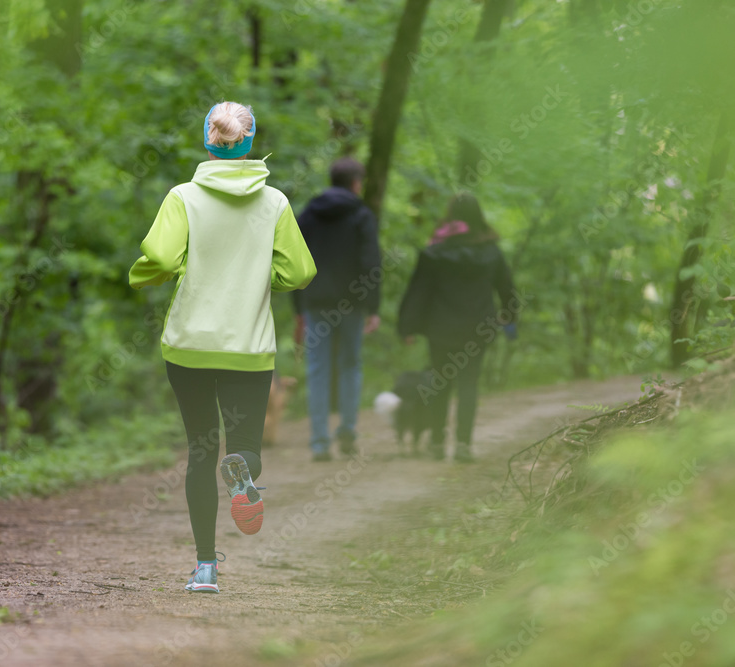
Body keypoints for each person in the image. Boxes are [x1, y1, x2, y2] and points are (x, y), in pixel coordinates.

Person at [129, 101, 316, 593]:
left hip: (189, 344)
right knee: (246, 445)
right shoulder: (273, 202)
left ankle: (205, 569)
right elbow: (300, 272)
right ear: (250, 142)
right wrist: (262, 277)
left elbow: (163, 257)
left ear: (207, 141)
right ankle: (243, 473)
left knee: (198, 448)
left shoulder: (182, 196)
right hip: (248, 348)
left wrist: (143, 273)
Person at [396, 192, 518, 463]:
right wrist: (510, 316)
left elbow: (418, 291)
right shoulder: (491, 252)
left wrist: (407, 327)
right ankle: (463, 443)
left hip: (441, 328)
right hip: (479, 327)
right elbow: (506, 287)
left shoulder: (435, 252)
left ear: (451, 216)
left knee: (440, 383)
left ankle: (438, 441)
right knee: (469, 384)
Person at [292, 158, 382, 462]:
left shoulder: (307, 215)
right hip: (352, 303)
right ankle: (347, 432)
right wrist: (373, 306)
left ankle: (319, 442)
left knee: (317, 369)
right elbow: (371, 262)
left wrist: (298, 308)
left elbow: (294, 262)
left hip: (316, 302)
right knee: (350, 365)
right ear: (355, 183)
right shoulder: (361, 215)